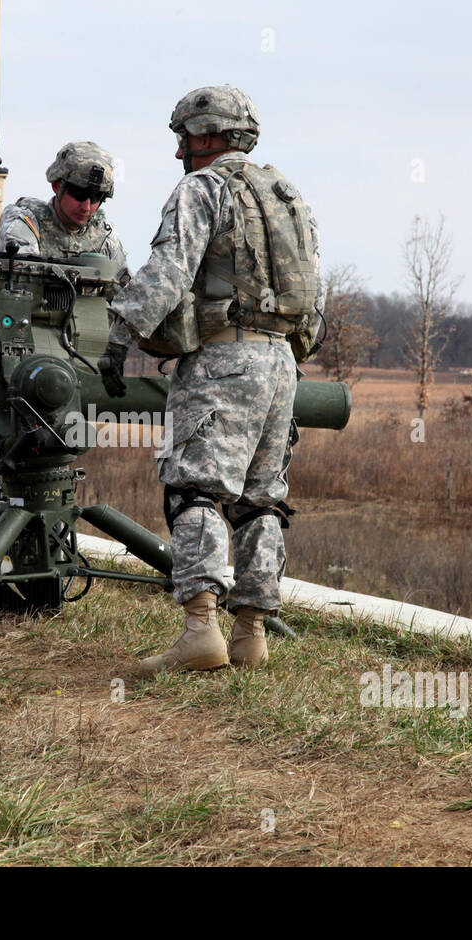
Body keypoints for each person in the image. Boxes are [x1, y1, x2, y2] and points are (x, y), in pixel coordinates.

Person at [100, 85, 321, 677]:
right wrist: (284, 355)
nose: (178, 153)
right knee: (261, 499)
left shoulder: (203, 188)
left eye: (183, 140)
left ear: (205, 135)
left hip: (223, 362)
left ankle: (201, 631)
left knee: (193, 490)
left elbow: (168, 274)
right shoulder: (287, 193)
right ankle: (251, 634)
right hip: (280, 365)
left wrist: (118, 336)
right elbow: (313, 295)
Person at [0, 142, 129, 472]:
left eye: (97, 198)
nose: (88, 206)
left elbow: (128, 299)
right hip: (8, 367)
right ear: (57, 187)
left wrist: (115, 350)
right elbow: (24, 280)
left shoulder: (105, 240)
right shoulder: (26, 221)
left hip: (65, 372)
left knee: (54, 462)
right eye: (80, 194)